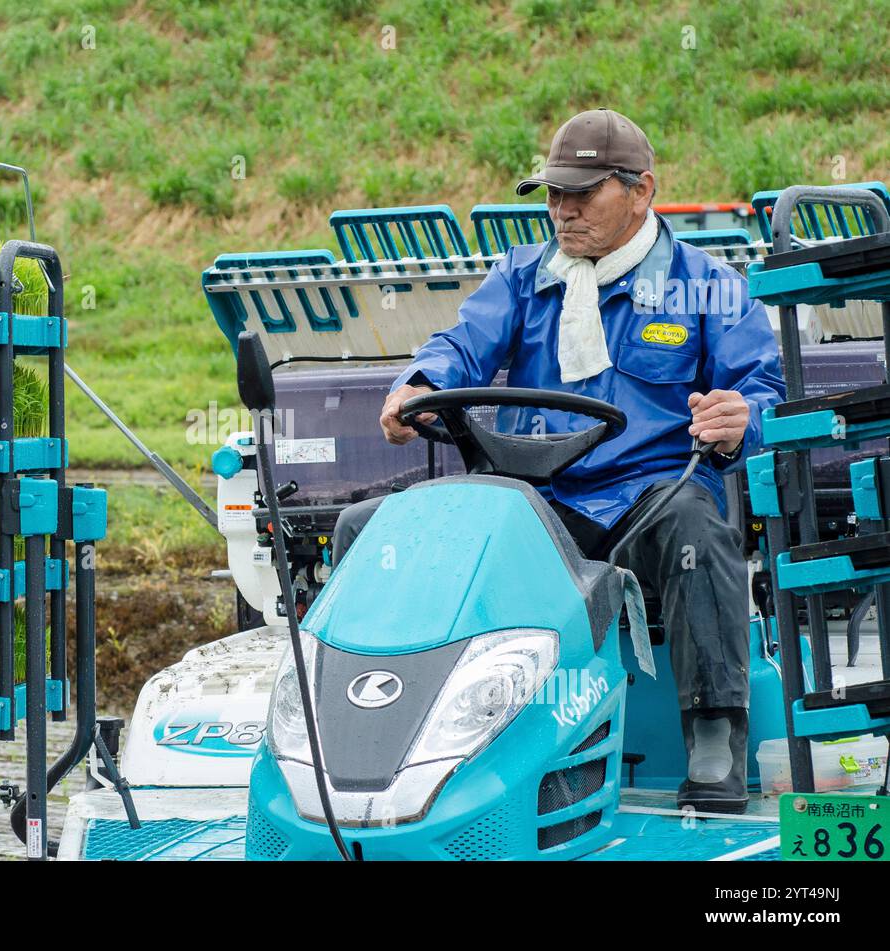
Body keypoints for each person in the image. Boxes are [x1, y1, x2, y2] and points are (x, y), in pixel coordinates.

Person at [334, 108, 785, 813]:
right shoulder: (519, 276)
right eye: (553, 194)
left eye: (583, 193)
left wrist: (740, 418)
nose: (562, 210)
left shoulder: (708, 285)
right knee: (367, 532)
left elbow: (763, 389)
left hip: (649, 503)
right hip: (535, 509)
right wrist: (419, 384)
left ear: (642, 190)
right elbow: (461, 346)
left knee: (700, 531)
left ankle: (713, 738)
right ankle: (361, 739)